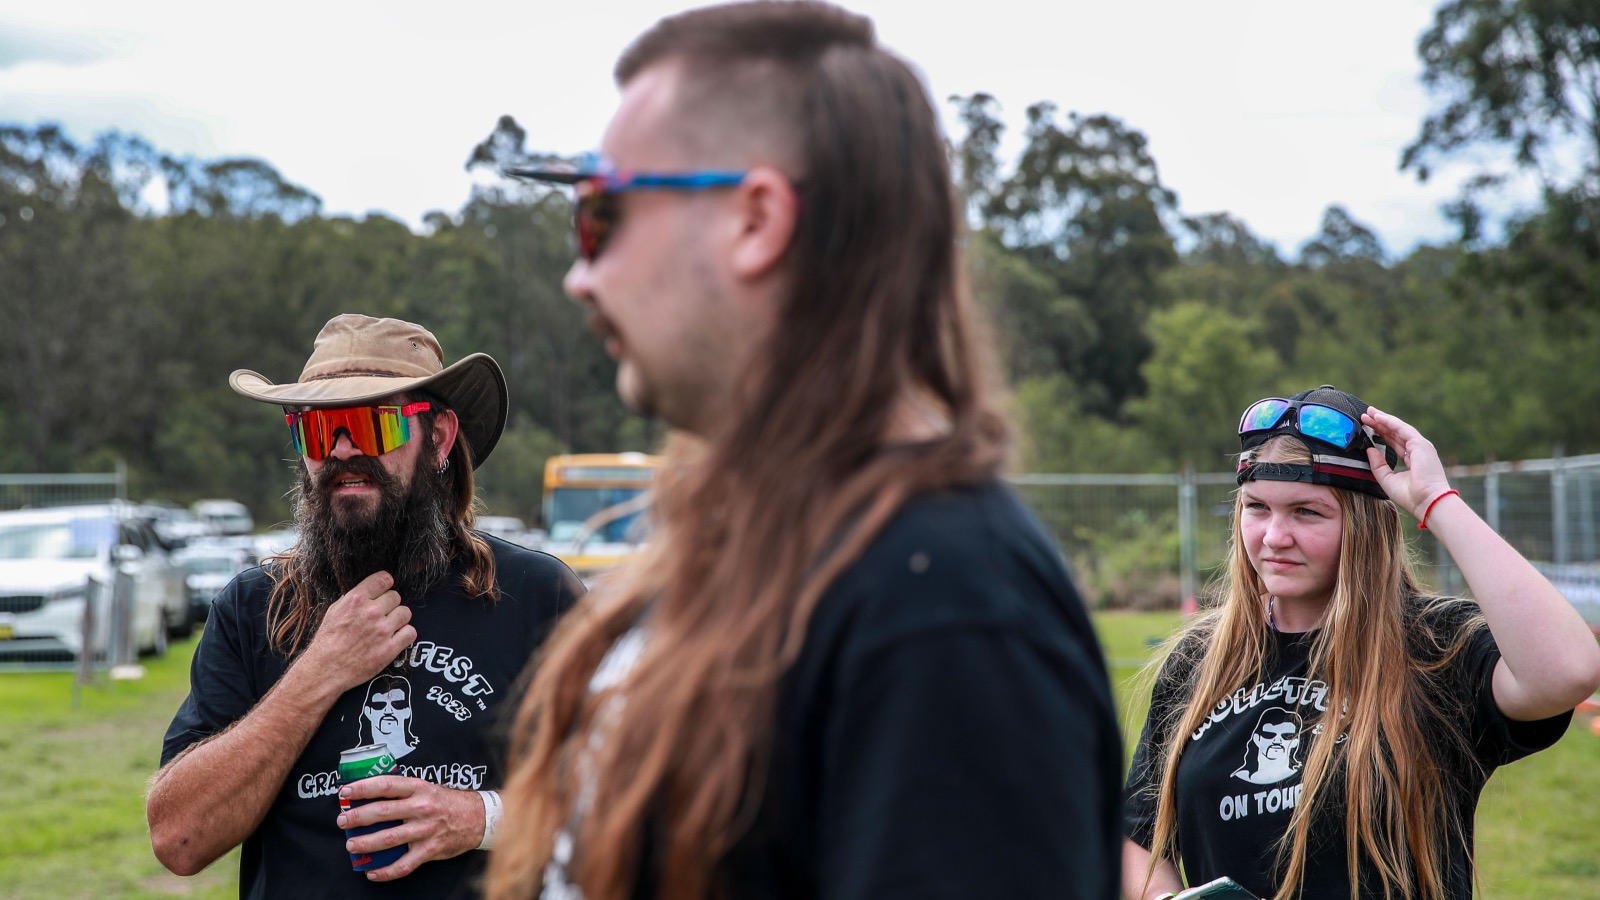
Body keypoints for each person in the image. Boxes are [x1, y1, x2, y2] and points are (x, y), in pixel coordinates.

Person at [490, 3, 1123, 899]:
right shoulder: (755, 549)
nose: (579, 273)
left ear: (756, 219)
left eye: (603, 214)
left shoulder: (945, 608)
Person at [147, 314, 584, 898]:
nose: (342, 449)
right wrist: (319, 672)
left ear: (441, 439)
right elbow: (178, 839)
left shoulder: (535, 595)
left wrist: (479, 819)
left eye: (370, 425)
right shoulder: (254, 607)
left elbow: (629, 798)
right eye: (317, 429)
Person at [1122, 385, 1600, 900]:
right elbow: (1137, 838)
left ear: (1365, 525)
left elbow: (1568, 670)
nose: (1274, 535)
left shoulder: (1433, 647)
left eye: (1307, 512)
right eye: (1257, 507)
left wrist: (1435, 502)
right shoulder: (1202, 659)